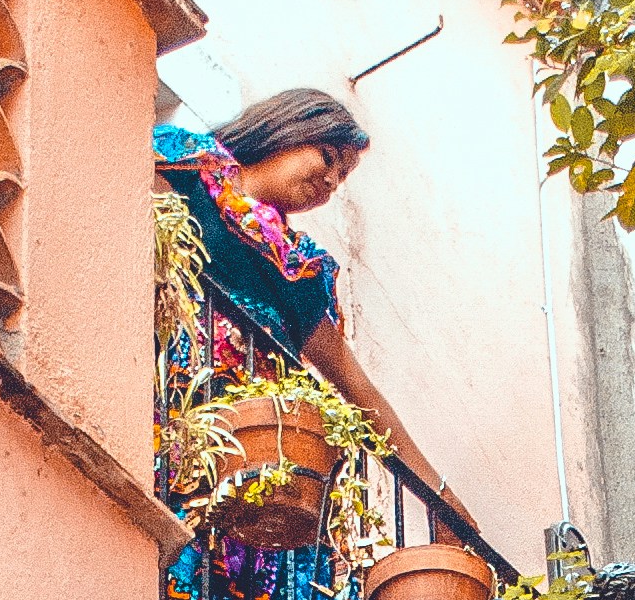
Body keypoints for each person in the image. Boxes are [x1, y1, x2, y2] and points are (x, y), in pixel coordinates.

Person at [153, 88, 475, 532]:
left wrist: (439, 497)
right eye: (327, 158)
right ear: (286, 130)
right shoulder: (184, 169)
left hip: (249, 476)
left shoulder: (300, 271)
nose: (330, 182)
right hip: (160, 422)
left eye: (340, 179)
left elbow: (357, 390)